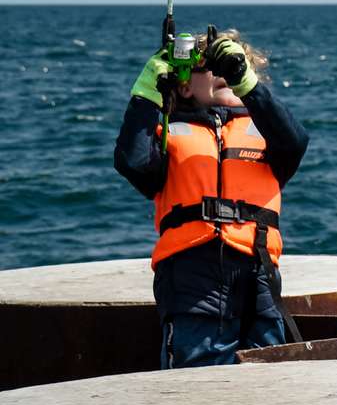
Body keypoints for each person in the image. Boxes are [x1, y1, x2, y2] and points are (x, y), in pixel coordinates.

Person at [114, 27, 309, 368]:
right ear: (186, 84)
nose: (223, 72)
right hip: (192, 275)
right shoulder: (166, 135)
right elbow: (134, 161)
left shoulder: (268, 132)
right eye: (210, 66)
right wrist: (146, 95)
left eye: (233, 64)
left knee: (269, 374)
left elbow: (295, 143)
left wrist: (246, 83)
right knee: (197, 375)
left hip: (258, 271)